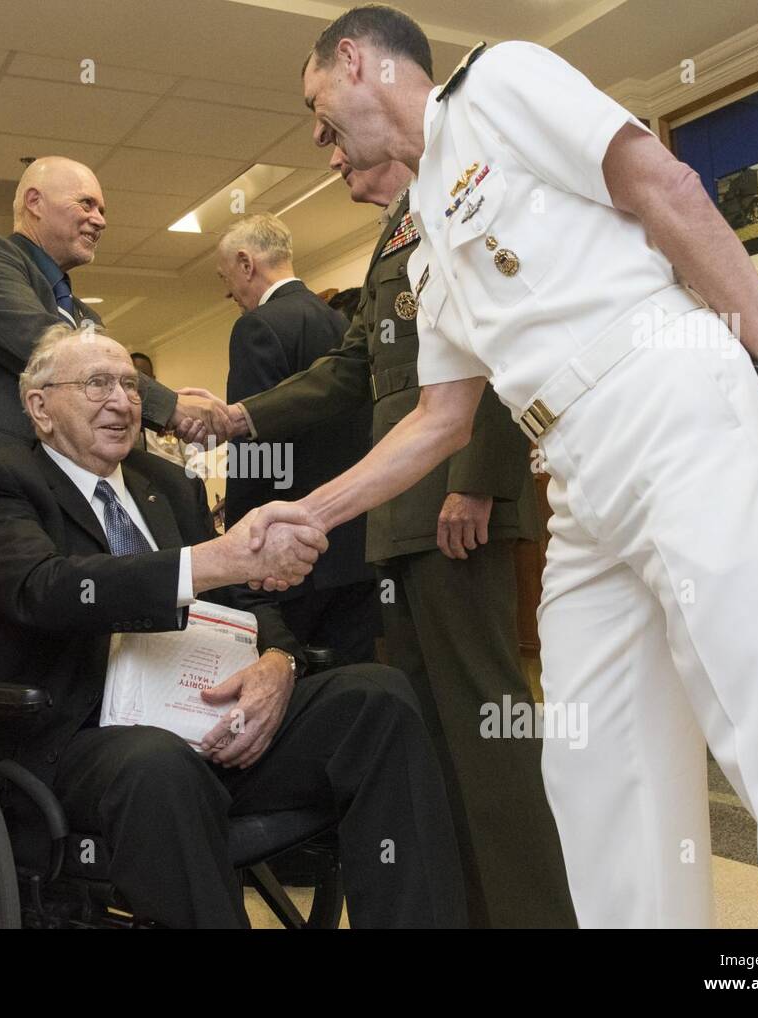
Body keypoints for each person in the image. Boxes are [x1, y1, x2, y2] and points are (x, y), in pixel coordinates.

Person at [243, 4, 758, 927]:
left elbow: (666, 188)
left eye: (318, 109)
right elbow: (438, 420)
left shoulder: (501, 81)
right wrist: (313, 512)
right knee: (594, 756)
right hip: (576, 471)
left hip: (669, 403)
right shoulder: (420, 233)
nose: (321, 143)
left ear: (355, 62)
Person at [0, 322, 465, 928]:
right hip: (86, 737)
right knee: (158, 764)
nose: (122, 401)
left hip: (215, 717)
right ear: (40, 406)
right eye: (97, 384)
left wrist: (278, 666)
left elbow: (244, 597)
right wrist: (211, 560)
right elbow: (46, 590)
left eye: (130, 385)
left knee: (377, 696)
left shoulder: (167, 484)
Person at [185, 146, 574, 927]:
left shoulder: (466, 188)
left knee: (486, 730)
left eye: (332, 129)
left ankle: (532, 915)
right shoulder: (398, 226)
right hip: (398, 517)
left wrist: (484, 479)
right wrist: (240, 418)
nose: (327, 155)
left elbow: (506, 339)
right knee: (431, 738)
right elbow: (353, 365)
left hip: (455, 504)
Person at [0, 156, 234, 725]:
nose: (100, 219)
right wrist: (172, 409)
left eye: (103, 209)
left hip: (41, 523)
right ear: (34, 203)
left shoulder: (83, 313)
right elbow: (48, 345)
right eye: (86, 204)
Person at [216, 213, 377, 665]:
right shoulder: (344, 324)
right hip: (356, 545)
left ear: (246, 263)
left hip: (293, 551)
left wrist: (241, 536)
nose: (227, 291)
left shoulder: (258, 327)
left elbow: (257, 446)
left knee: (291, 680)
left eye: (226, 276)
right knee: (352, 678)